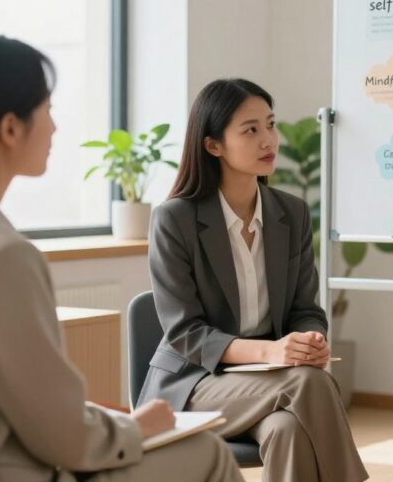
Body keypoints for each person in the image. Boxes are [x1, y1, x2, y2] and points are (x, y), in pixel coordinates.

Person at [0, 31, 243, 482]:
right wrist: (135, 425)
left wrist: (96, 418)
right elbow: (67, 442)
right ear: (11, 127)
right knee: (205, 452)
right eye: (47, 110)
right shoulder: (0, 258)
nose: (54, 127)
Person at [138, 78, 368, 482]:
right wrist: (272, 354)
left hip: (272, 382)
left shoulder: (290, 213)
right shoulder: (174, 219)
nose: (269, 140)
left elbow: (305, 310)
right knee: (308, 384)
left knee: (288, 428)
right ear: (213, 145)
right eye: (251, 129)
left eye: (271, 124)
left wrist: (309, 340)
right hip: (195, 384)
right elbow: (185, 333)